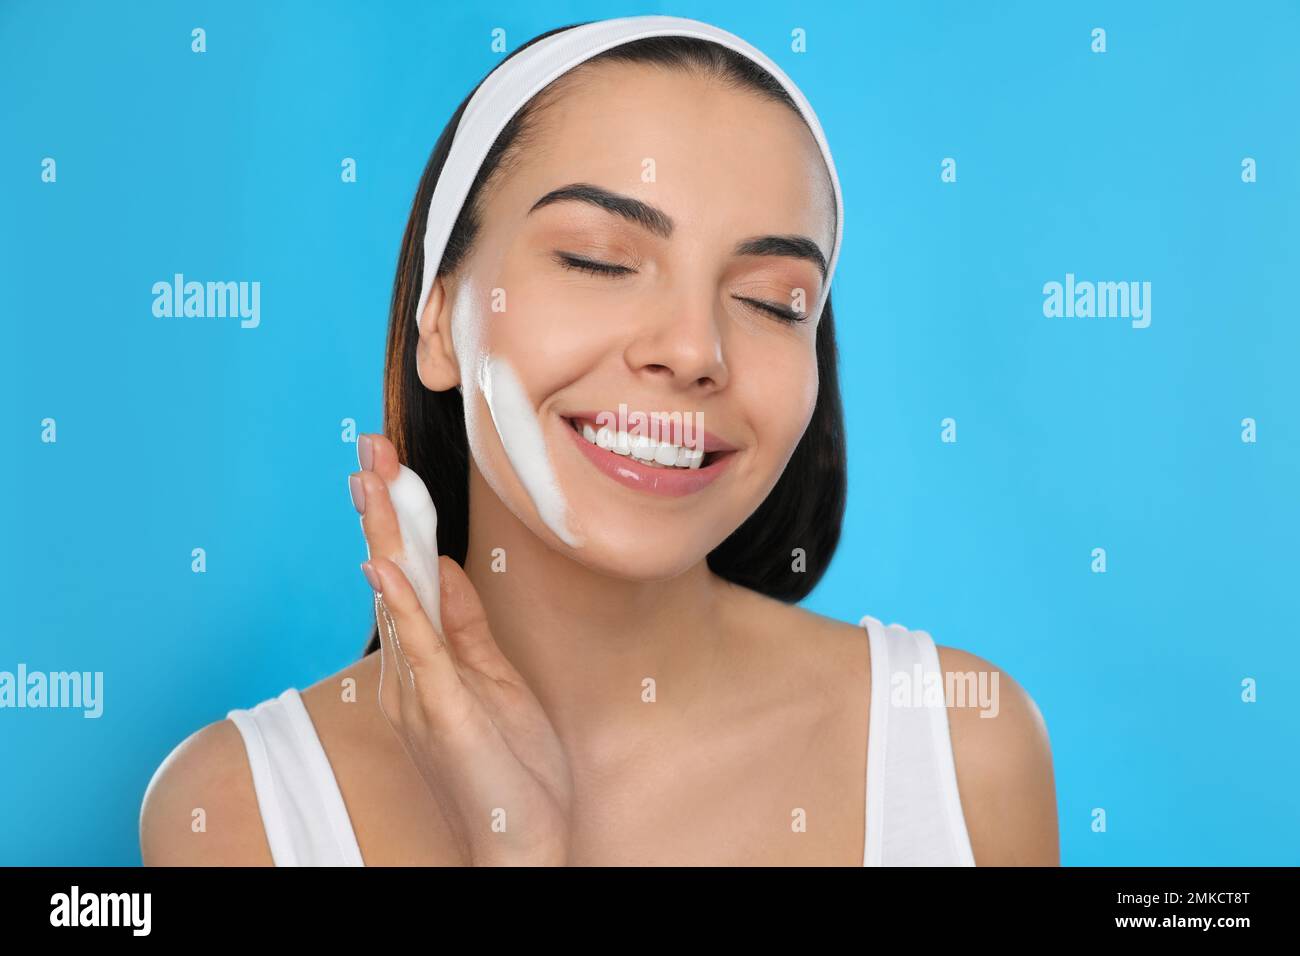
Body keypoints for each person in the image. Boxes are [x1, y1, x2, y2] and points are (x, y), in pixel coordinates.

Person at [140, 16, 1058, 866]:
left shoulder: (963, 745)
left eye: (774, 301)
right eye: (598, 261)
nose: (694, 349)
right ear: (440, 316)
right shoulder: (237, 810)